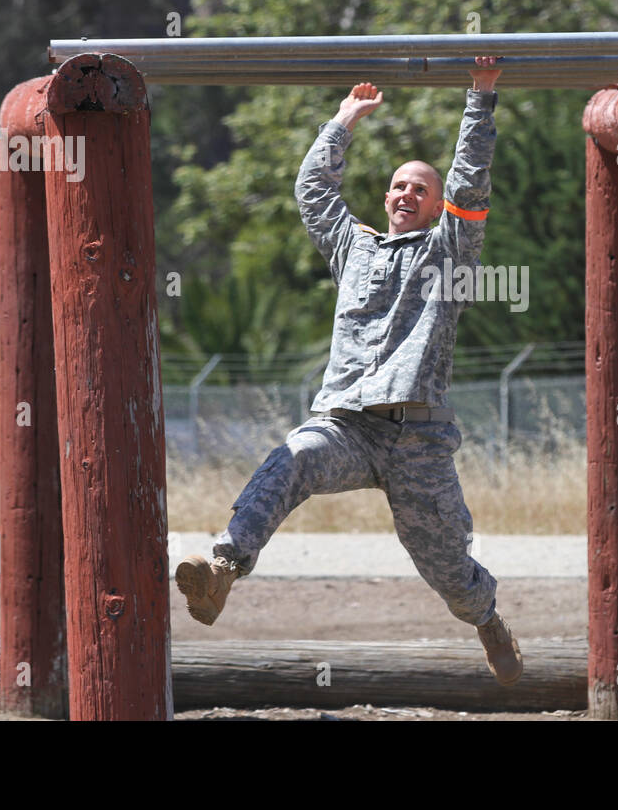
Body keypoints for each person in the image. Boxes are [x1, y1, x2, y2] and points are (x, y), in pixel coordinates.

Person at [175, 56, 522, 685]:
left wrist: (481, 97)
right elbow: (312, 192)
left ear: (437, 204)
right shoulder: (354, 246)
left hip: (417, 439)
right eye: (398, 184)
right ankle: (223, 569)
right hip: (347, 425)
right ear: (385, 196)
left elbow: (471, 184)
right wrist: (342, 122)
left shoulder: (451, 253)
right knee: (293, 457)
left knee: (446, 568)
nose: (406, 192)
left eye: (421, 187)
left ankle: (487, 619)